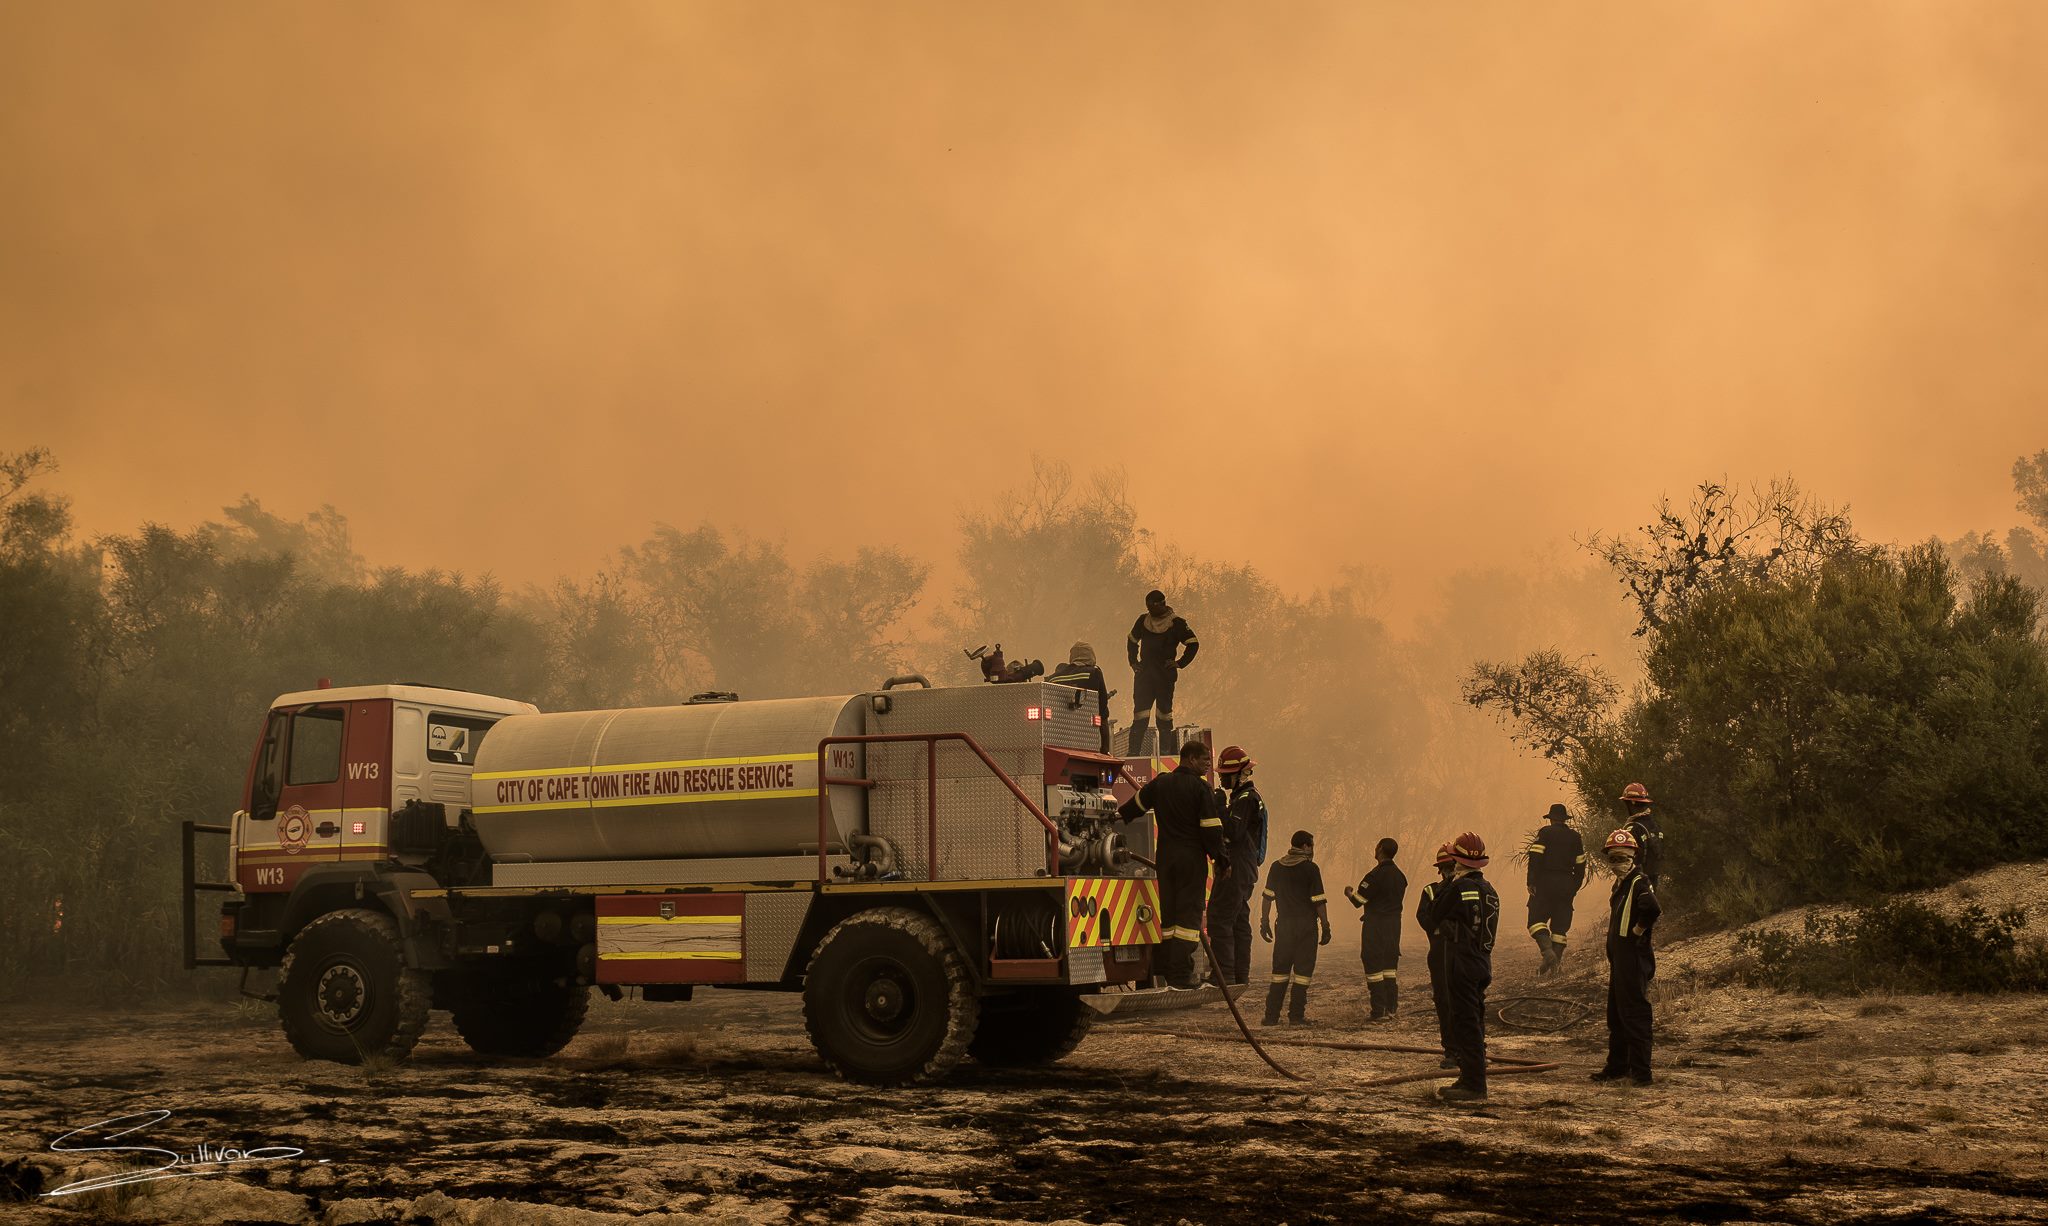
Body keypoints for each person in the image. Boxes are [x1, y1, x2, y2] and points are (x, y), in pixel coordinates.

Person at [1118, 739, 1229, 990]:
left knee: (1168, 918)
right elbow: (1211, 829)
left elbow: (1134, 806)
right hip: (1191, 860)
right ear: (1190, 759)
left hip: (1165, 860)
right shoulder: (1201, 789)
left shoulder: (1161, 783)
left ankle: (1164, 970)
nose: (1207, 766)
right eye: (1204, 761)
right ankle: (1180, 976)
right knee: (1188, 920)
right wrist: (1221, 860)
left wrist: (1114, 818)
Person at [1429, 831, 1499, 1103]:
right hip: (1482, 962)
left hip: (1461, 963)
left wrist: (1449, 882)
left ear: (1458, 862)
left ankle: (1474, 1085)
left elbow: (1435, 913)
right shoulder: (1489, 890)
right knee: (1475, 1020)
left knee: (1465, 1022)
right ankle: (1468, 1077)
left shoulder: (1458, 888)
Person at [1592, 828, 1661, 1086]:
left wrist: (1638, 930)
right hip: (1620, 961)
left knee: (1634, 1015)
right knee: (1616, 1014)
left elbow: (1653, 909)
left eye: (1622, 858)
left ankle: (1642, 1074)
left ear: (1633, 856)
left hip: (1632, 959)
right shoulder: (1622, 884)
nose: (1617, 864)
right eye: (1613, 858)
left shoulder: (1638, 882)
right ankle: (1617, 1067)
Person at [1205, 745, 1268, 987]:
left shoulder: (1246, 799)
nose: (1221, 778)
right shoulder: (1244, 798)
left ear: (1240, 774)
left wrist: (1219, 807)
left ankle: (1224, 975)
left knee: (1219, 917)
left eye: (1224, 774)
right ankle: (1238, 975)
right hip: (1243, 866)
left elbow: (1234, 832)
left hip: (1238, 866)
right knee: (1239, 921)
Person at [1259, 829, 1331, 1026]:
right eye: (1312, 846)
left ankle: (1271, 1016)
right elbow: (1319, 901)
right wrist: (1325, 926)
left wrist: (1264, 922)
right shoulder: (1311, 869)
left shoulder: (1276, 867)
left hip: (1283, 926)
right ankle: (1296, 1016)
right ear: (1306, 846)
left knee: (1279, 971)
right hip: (1306, 927)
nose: (1312, 850)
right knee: (1302, 973)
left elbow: (1267, 897)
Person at [1125, 589, 1199, 756]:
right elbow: (1132, 640)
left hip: (1164, 676)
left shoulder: (1176, 623)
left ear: (1163, 605)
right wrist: (1133, 662)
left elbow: (1193, 643)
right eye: (1148, 607)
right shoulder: (1143, 621)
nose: (1150, 611)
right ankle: (1133, 753)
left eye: (1153, 607)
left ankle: (1165, 752)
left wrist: (1179, 663)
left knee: (1164, 716)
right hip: (1144, 676)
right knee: (1140, 715)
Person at [1344, 837, 1407, 1021]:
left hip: (1375, 926)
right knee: (1389, 966)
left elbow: (1359, 901)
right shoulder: (1400, 876)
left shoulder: (1374, 875)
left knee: (1373, 965)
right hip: (1394, 926)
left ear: (1379, 848)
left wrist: (1349, 892)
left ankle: (1378, 1011)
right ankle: (1391, 1009)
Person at [1525, 803, 1587, 976]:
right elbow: (1581, 865)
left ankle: (1548, 953)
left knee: (1535, 920)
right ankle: (1555, 966)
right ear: (1564, 819)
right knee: (1560, 927)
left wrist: (1531, 881)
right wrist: (1574, 886)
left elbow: (1535, 858)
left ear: (1551, 819)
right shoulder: (1575, 837)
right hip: (1566, 884)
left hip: (1545, 882)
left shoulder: (1545, 833)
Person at [1416, 843, 1458, 1069]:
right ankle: (1451, 1050)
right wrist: (1439, 929)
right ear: (1439, 869)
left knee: (1467, 998)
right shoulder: (1431, 890)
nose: (1448, 871)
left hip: (1463, 949)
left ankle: (1472, 1048)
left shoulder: (1468, 886)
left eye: (1452, 866)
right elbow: (1422, 916)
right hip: (1440, 950)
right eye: (1445, 867)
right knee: (1444, 999)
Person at [1048, 642, 1111, 754]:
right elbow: (1102, 705)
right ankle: (1105, 752)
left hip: (1056, 735)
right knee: (1104, 716)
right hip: (1088, 734)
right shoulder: (1094, 673)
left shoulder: (1053, 678)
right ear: (1091, 656)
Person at [1619, 783, 1665, 888]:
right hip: (1653, 880)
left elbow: (1624, 861)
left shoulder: (1633, 828)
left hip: (1636, 883)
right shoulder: (1655, 825)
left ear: (1631, 803)